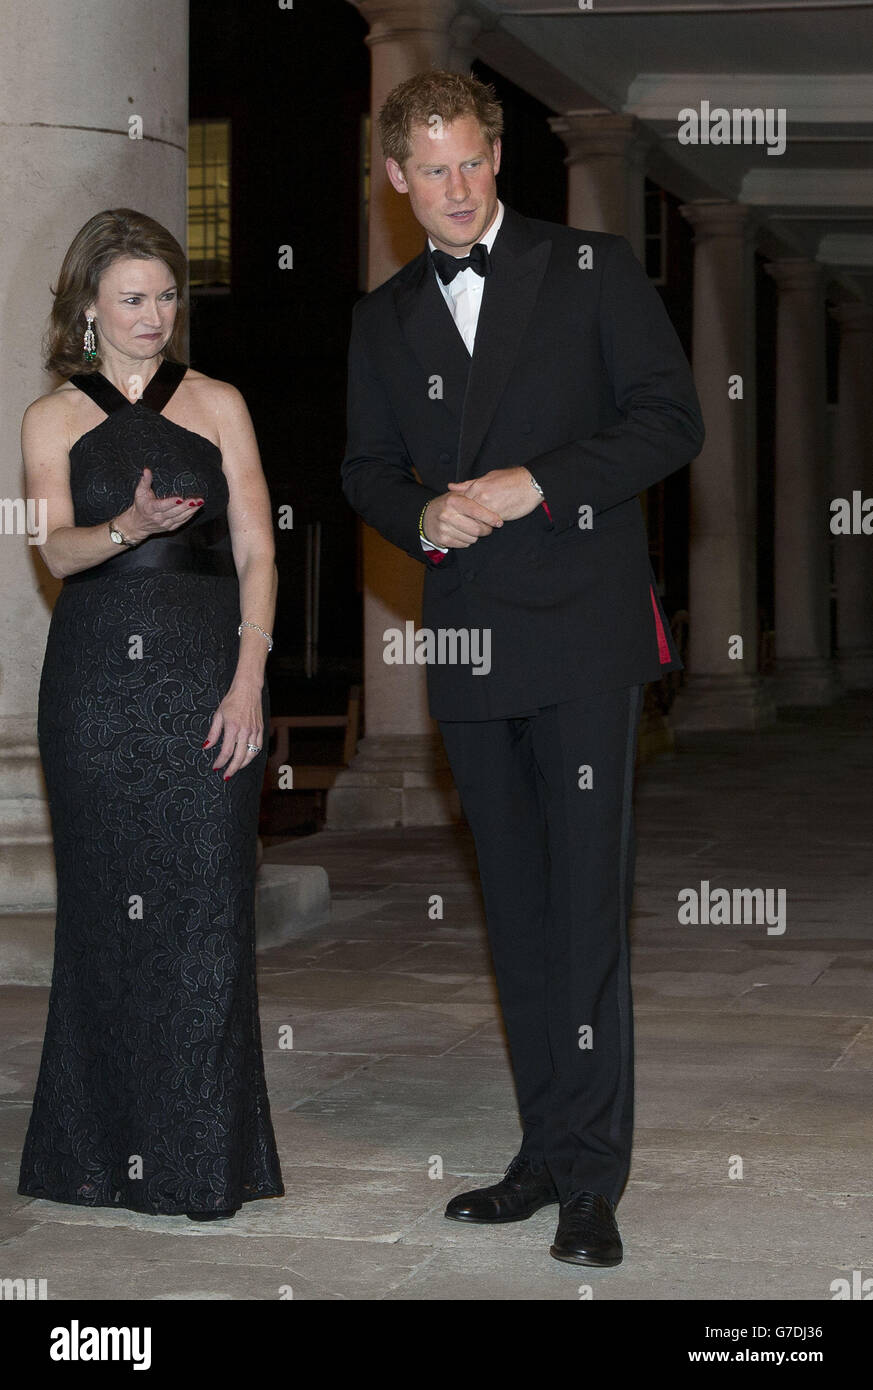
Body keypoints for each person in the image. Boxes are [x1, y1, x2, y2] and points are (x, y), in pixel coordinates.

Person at [341, 71, 704, 1266]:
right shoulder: (383, 316)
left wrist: (538, 482)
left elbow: (671, 418)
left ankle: (593, 1177)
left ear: (497, 157)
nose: (456, 189)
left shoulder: (591, 267)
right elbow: (364, 468)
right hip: (471, 642)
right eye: (431, 170)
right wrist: (421, 514)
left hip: (586, 633)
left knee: (586, 909)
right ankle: (544, 1149)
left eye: (472, 162)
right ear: (396, 178)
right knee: (518, 910)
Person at [17, 208, 283, 1221]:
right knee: (106, 915)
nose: (153, 316)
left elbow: (258, 549)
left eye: (167, 296)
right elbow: (54, 549)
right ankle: (97, 1155)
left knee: (208, 908)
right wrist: (125, 525)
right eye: (132, 298)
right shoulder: (50, 418)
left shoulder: (218, 403)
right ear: (88, 307)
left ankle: (204, 1159)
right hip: (95, 687)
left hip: (209, 675)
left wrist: (250, 677)